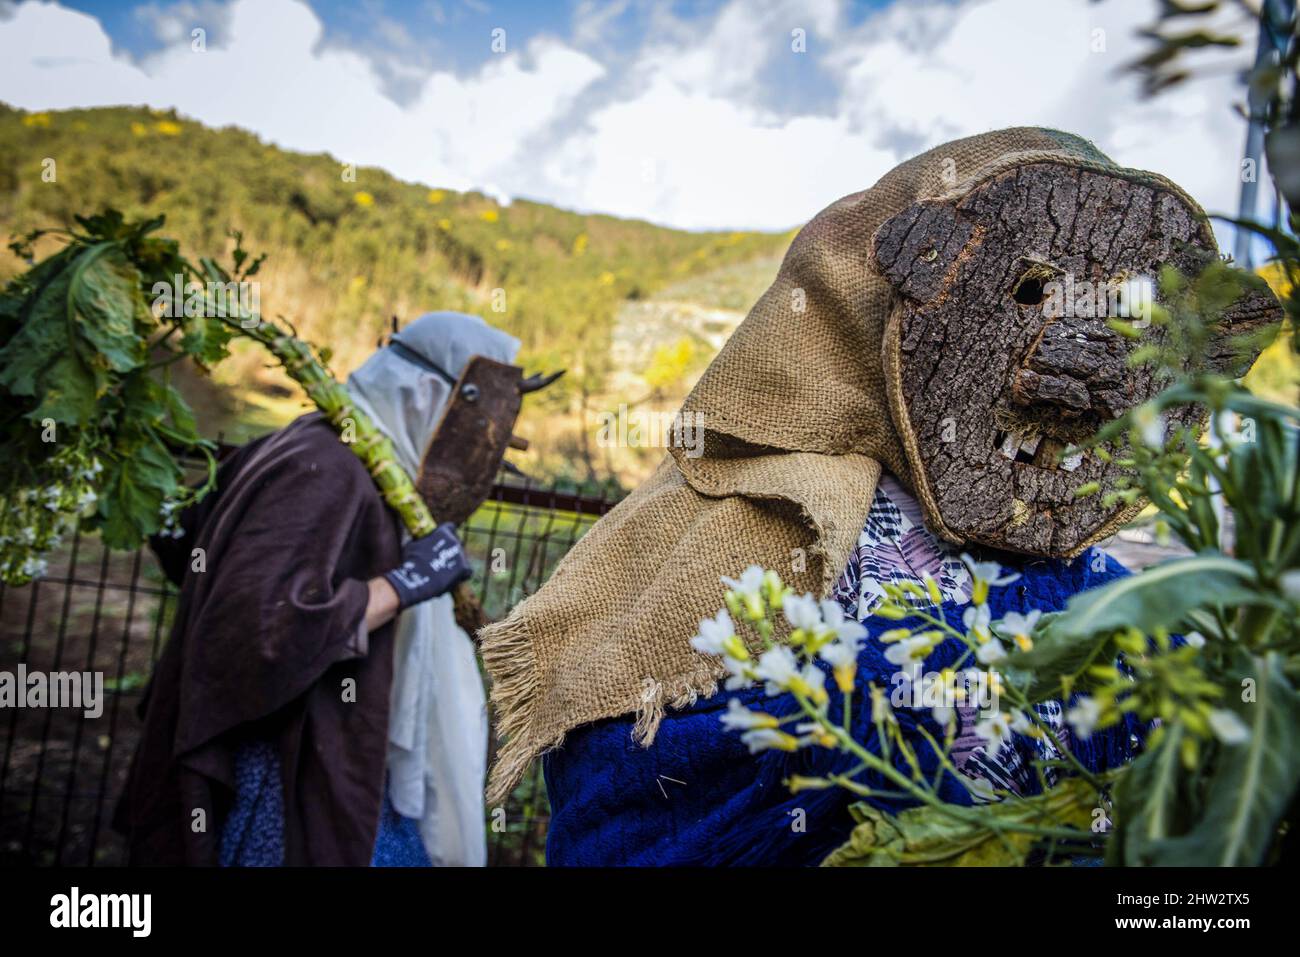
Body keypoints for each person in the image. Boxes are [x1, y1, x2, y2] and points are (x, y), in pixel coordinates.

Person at [477, 128, 1273, 865]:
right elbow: (618, 807)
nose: (1085, 375)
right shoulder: (742, 528)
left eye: (1126, 323)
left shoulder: (1109, 587)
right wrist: (839, 725)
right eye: (1032, 292)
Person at [116, 311, 520, 866]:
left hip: (333, 748)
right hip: (284, 772)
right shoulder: (326, 464)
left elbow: (197, 555)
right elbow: (257, 630)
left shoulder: (316, 448)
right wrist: (404, 584)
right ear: (428, 396)